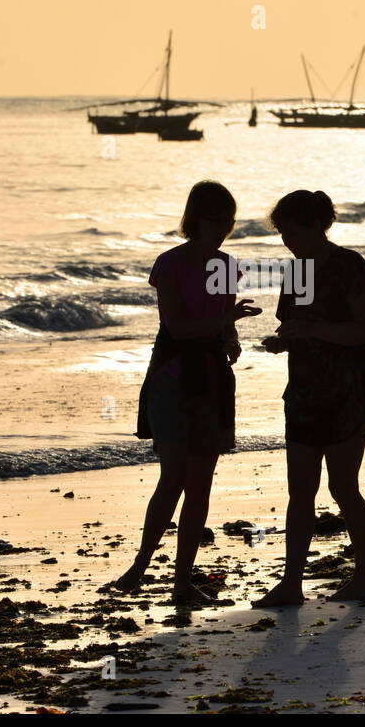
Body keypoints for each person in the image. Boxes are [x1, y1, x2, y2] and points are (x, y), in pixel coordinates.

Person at [114, 181, 261, 602]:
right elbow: (177, 327)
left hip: (212, 375)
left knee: (200, 484)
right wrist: (224, 322)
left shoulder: (228, 266)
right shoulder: (170, 264)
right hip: (173, 375)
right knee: (173, 475)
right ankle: (139, 568)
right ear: (195, 218)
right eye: (216, 219)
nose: (223, 228)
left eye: (228, 220)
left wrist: (231, 339)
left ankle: (182, 584)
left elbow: (222, 323)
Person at [255, 190, 365, 606]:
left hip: (349, 390)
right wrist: (283, 343)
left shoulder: (348, 265)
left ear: (315, 226)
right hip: (305, 391)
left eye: (290, 231)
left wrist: (310, 332)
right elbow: (298, 327)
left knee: (343, 487)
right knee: (300, 490)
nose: (285, 241)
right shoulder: (297, 272)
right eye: (281, 233)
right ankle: (292, 583)